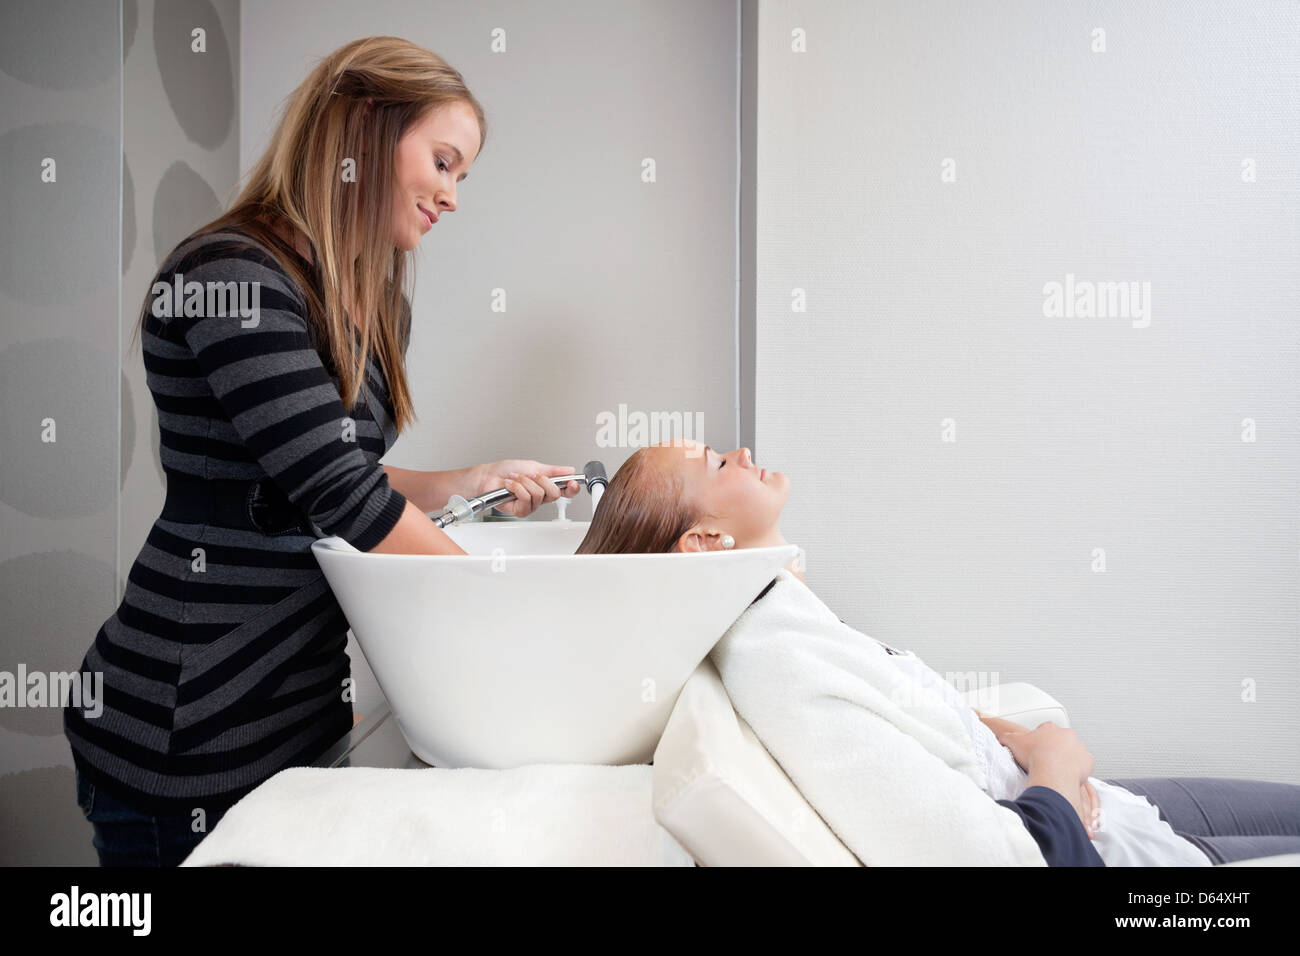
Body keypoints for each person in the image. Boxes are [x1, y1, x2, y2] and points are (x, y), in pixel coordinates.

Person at [65, 36, 582, 867]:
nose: (452, 196)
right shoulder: (228, 275)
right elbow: (338, 491)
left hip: (298, 709)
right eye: (444, 162)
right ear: (366, 124)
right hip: (186, 722)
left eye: (462, 176)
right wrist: (517, 621)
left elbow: (313, 473)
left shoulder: (367, 303)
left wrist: (465, 482)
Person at [576, 440, 1300, 865]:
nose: (740, 452)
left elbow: (906, 711)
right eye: (716, 464)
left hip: (1106, 804)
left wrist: (1013, 734)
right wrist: (1058, 762)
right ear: (705, 542)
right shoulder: (783, 668)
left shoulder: (777, 608)